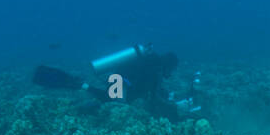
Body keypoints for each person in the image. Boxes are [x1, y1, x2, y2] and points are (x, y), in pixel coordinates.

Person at [33, 44, 185, 110]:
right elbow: (153, 97)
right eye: (172, 69)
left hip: (117, 78)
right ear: (169, 65)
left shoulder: (151, 63)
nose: (170, 73)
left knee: (111, 100)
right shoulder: (155, 70)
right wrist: (175, 105)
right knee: (113, 103)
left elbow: (149, 89)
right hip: (120, 81)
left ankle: (80, 84)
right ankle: (80, 84)